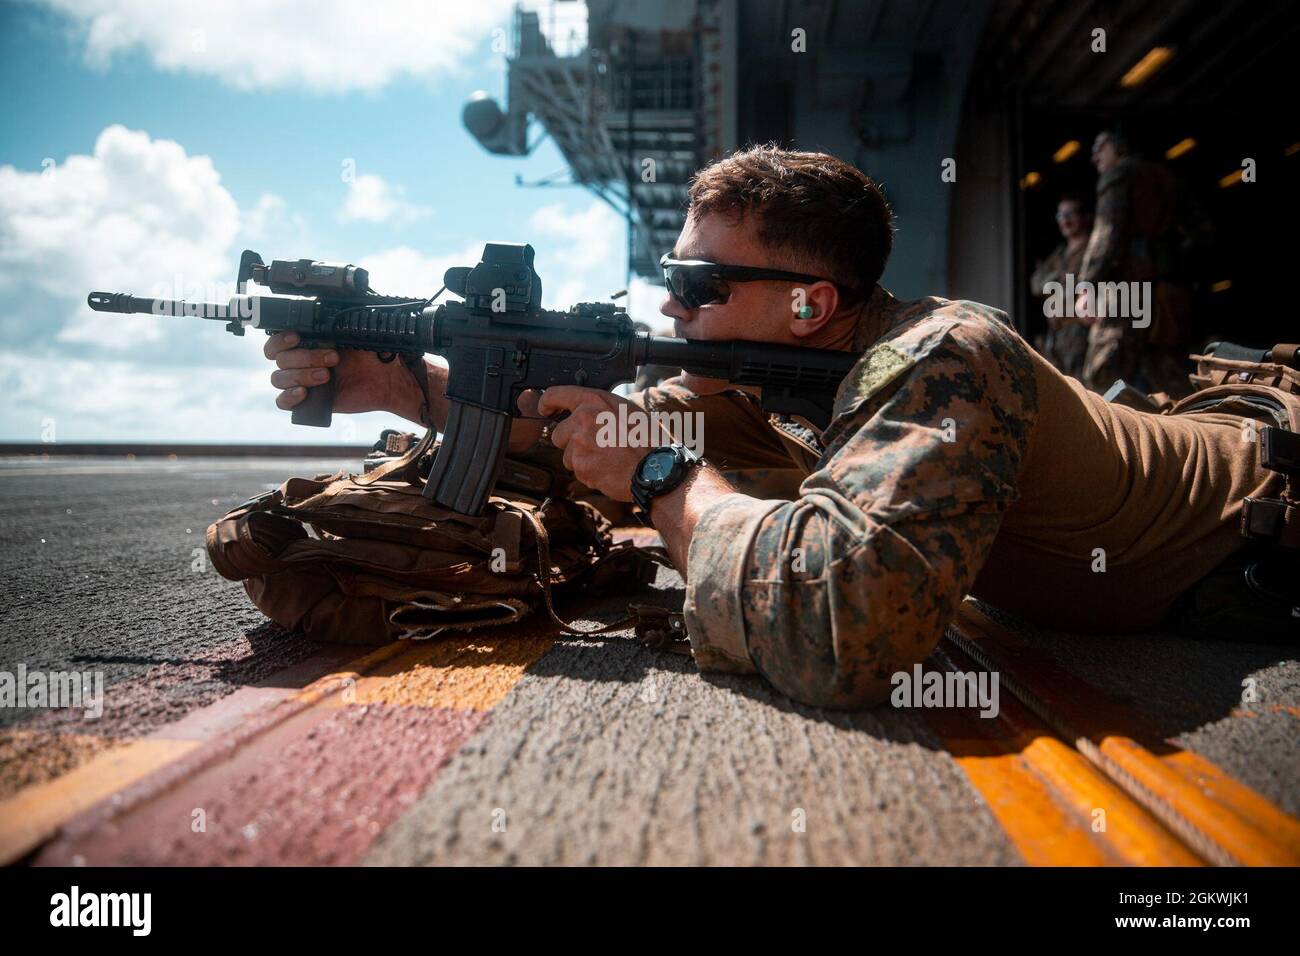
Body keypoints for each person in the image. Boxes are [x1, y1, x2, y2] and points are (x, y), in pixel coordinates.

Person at [263, 146, 1281, 709]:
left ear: (810, 304)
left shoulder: (946, 355)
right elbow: (581, 447)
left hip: (1256, 535)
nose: (672, 312)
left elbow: (844, 627)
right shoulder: (760, 384)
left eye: (699, 287)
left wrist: (662, 475)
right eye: (672, 284)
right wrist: (410, 390)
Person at [1077, 130, 1194, 397]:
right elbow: (1202, 232)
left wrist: (1087, 286)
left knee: (1102, 375)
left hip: (1128, 292)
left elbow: (1107, 234)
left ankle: (1104, 437)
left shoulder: (1119, 175)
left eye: (1100, 147)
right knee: (1169, 374)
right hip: (1169, 291)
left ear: (1119, 147)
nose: (1094, 157)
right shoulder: (1169, 178)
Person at [1030, 195, 1092, 379]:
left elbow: (1086, 283)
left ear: (1085, 217)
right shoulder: (1060, 254)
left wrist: (1061, 283)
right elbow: (1036, 283)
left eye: (1070, 214)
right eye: (1060, 215)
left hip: (1081, 331)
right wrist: (1059, 278)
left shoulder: (1092, 249)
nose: (1064, 220)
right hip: (1057, 334)